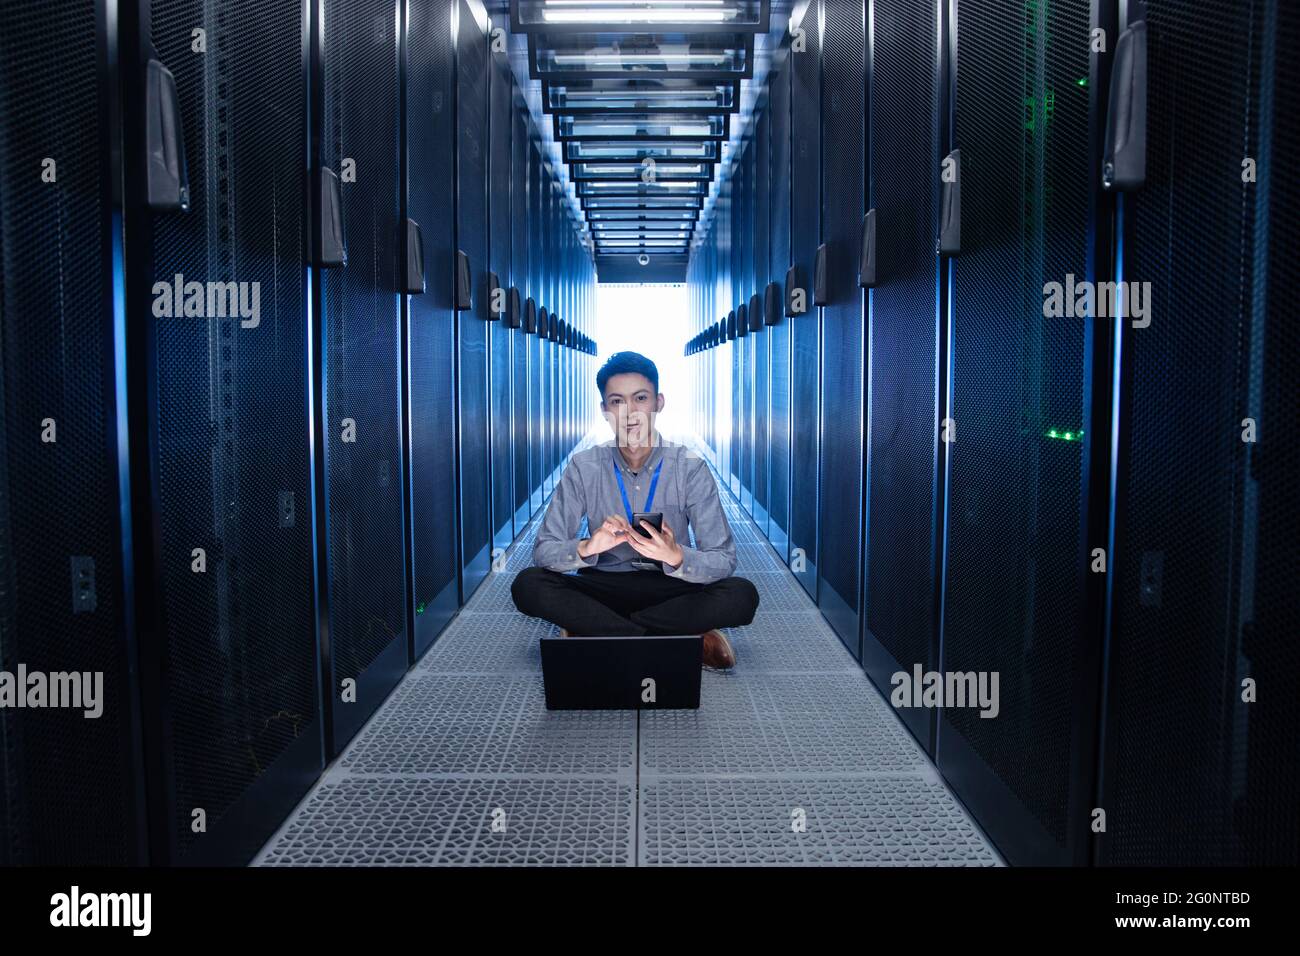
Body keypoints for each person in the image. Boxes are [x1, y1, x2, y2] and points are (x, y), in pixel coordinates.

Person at [510, 351, 758, 669]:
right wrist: (587, 547)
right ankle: (681, 636)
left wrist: (676, 556)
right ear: (604, 410)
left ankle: (597, 631)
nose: (630, 413)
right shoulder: (584, 466)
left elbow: (723, 558)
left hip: (673, 588)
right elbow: (545, 550)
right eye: (616, 401)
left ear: (659, 402)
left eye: (640, 398)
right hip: (603, 586)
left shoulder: (690, 466)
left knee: (742, 595)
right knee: (528, 585)